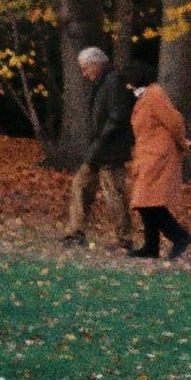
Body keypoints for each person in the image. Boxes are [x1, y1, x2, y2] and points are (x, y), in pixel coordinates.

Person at [64, 46, 135, 248]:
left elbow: (118, 115)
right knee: (81, 184)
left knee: (114, 192)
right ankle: (77, 230)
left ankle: (125, 237)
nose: (85, 74)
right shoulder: (105, 81)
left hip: (110, 149)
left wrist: (102, 139)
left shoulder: (113, 82)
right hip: (100, 148)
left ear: (97, 64)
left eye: (86, 68)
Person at [125, 78, 191, 261]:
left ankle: (179, 236)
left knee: (148, 201)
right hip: (148, 155)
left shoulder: (154, 94)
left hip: (158, 156)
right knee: (147, 201)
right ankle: (151, 246)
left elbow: (174, 121)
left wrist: (182, 143)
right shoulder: (144, 97)